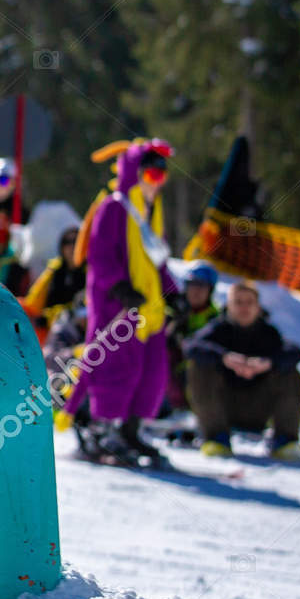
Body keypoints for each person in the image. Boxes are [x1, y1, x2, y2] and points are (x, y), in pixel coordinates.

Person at [66, 138, 178, 464]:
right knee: (117, 368)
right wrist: (119, 288)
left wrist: (175, 294)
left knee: (153, 369)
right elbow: (99, 256)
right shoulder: (114, 207)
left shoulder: (151, 214)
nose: (157, 182)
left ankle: (131, 429)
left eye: (162, 176)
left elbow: (159, 260)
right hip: (118, 306)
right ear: (135, 172)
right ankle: (102, 429)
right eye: (152, 174)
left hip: (149, 307)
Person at [183, 280, 300, 460]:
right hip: (221, 408)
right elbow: (190, 346)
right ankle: (216, 438)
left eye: (249, 302)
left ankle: (285, 440)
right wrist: (225, 358)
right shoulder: (218, 328)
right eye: (238, 302)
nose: (244, 308)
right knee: (198, 366)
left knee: (290, 370)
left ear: (258, 307)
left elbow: (295, 351)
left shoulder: (269, 333)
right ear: (229, 306)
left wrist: (267, 363)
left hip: (259, 407)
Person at [166, 262, 222, 413]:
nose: (196, 291)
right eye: (192, 285)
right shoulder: (173, 309)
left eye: (201, 286)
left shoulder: (217, 318)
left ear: (210, 290)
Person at [21, 225, 85, 345]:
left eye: (76, 241)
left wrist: (48, 317)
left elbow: (84, 309)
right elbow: (33, 301)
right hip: (50, 328)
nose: (72, 246)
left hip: (78, 329)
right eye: (67, 242)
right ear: (62, 247)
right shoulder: (55, 270)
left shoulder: (90, 272)